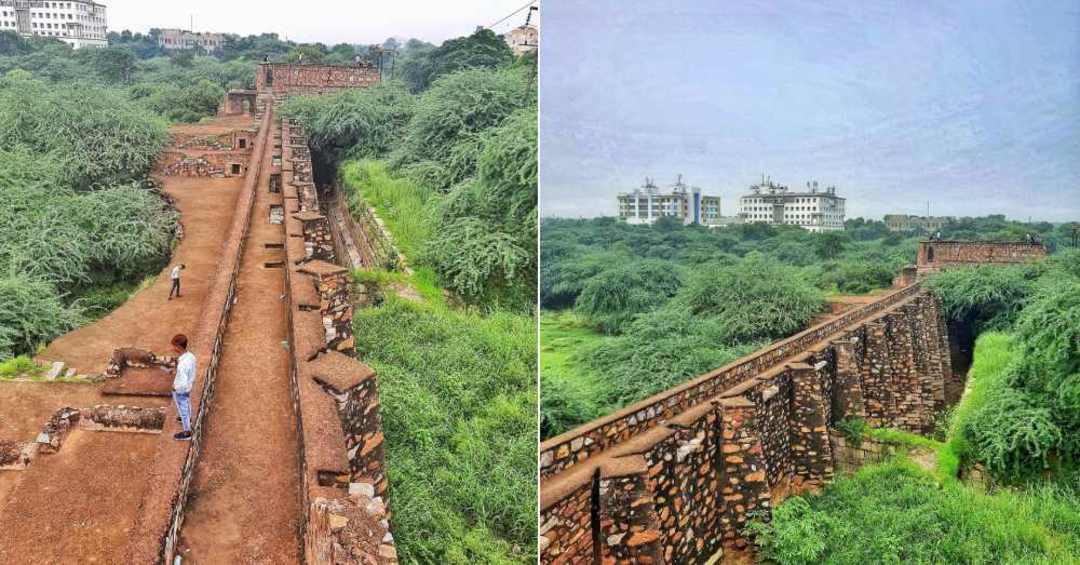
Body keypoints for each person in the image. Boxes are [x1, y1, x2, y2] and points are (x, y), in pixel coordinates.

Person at [168, 334, 195, 441]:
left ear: (179, 347)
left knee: (183, 409)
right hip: (188, 386)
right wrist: (176, 372)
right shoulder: (190, 356)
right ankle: (188, 418)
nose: (173, 348)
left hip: (181, 390)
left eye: (174, 346)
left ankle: (187, 432)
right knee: (186, 404)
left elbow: (182, 383)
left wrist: (175, 388)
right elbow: (188, 372)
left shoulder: (182, 365)